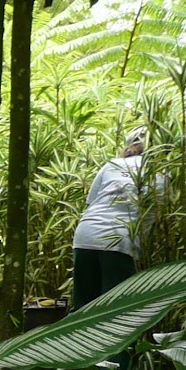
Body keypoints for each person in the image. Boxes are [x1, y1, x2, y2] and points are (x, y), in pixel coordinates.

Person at [70, 130, 150, 311]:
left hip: (86, 235)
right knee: (115, 309)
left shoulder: (112, 165)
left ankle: (77, 339)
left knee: (83, 307)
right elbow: (156, 214)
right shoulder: (158, 171)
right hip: (120, 240)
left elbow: (91, 202)